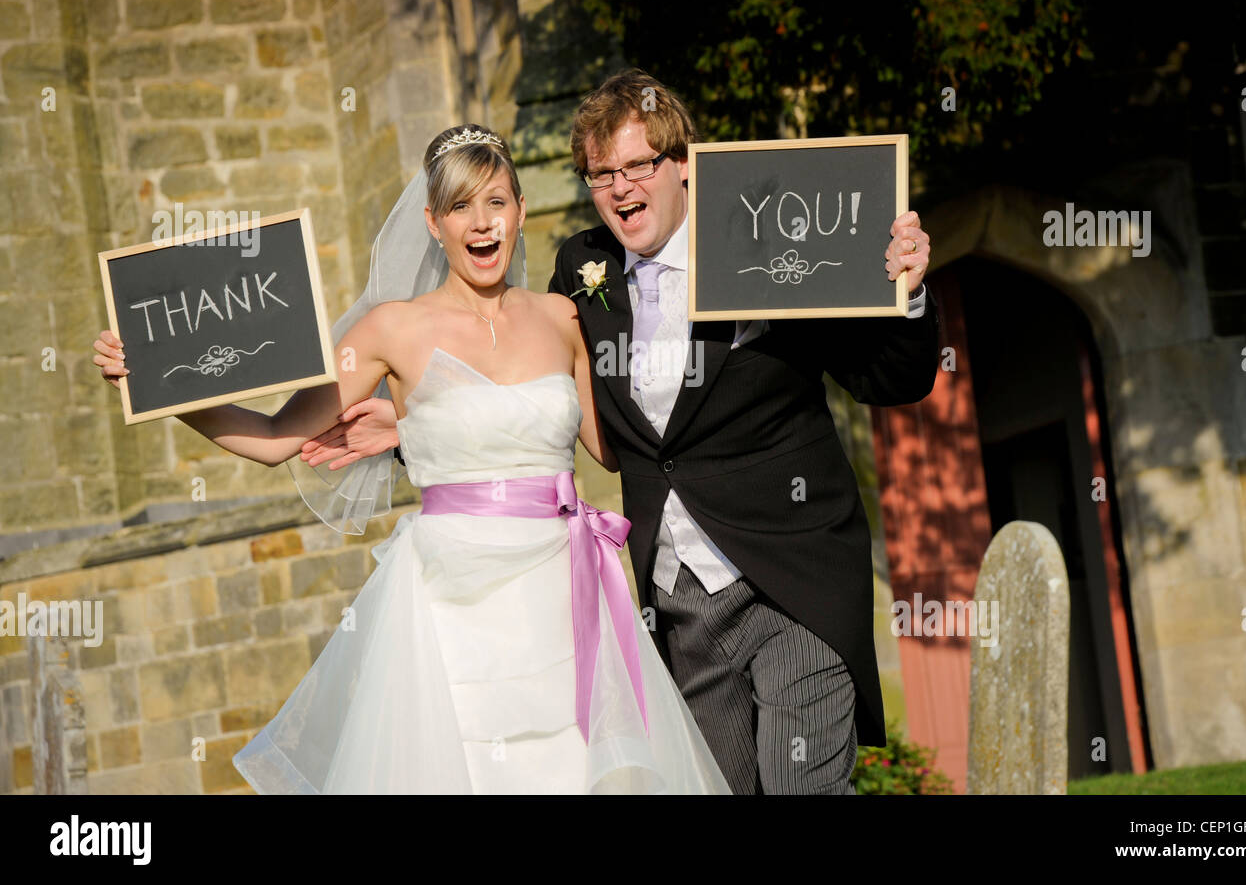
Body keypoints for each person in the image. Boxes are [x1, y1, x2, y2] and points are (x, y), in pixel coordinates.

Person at [298, 73, 940, 795]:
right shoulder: (583, 269)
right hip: (678, 606)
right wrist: (420, 423)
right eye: (602, 174)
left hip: (792, 581)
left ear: (683, 164)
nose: (621, 187)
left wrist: (908, 294)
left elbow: (891, 378)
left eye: (638, 165)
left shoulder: (768, 240)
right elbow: (552, 406)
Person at [92, 123, 732, 795]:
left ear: (518, 208)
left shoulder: (562, 318)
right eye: (460, 207)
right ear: (433, 221)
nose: (481, 224)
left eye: (495, 202)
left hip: (565, 596)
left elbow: (616, 445)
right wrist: (161, 387)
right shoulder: (390, 330)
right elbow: (275, 437)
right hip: (453, 605)